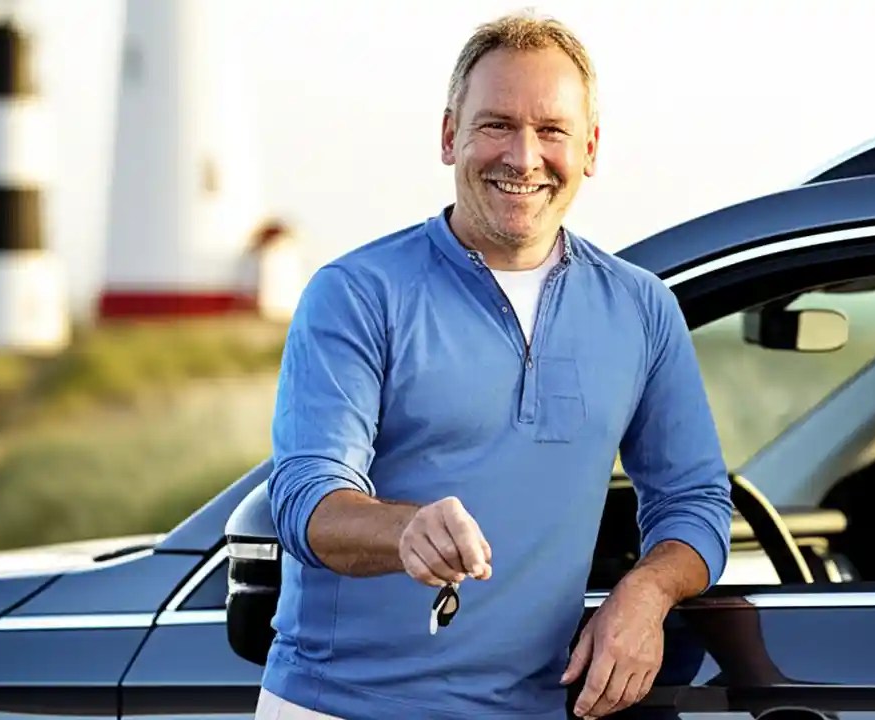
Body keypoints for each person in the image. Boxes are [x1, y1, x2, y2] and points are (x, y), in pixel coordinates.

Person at [258, 10, 733, 720]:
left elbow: (695, 502)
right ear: (450, 136)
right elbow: (305, 496)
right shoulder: (356, 293)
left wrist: (648, 592)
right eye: (496, 125)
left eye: (552, 131)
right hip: (342, 708)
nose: (523, 156)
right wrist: (404, 530)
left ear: (591, 148)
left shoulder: (642, 309)